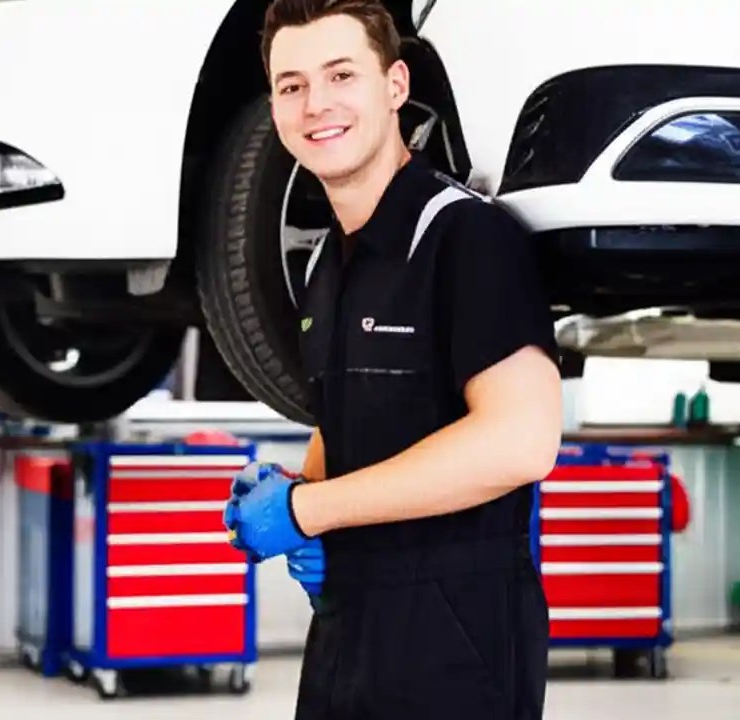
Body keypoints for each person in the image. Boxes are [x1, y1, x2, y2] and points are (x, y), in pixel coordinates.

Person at [221, 0, 564, 717]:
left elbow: (520, 441)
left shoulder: (467, 237)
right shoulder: (327, 263)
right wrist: (295, 482)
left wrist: (307, 509)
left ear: (396, 86)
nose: (316, 104)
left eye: (341, 74)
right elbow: (348, 416)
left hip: (457, 642)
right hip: (348, 632)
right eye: (291, 85)